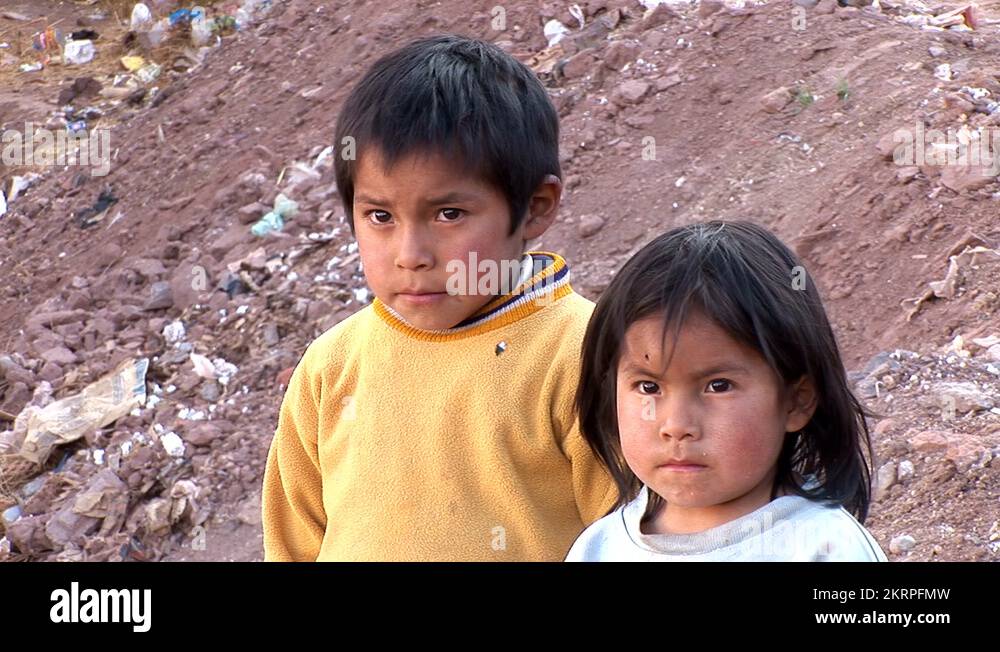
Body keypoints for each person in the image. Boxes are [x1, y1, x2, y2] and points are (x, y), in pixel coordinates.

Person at [261, 35, 616, 561]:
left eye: (448, 214)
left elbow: (632, 540)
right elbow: (293, 544)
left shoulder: (584, 359)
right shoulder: (331, 367)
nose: (411, 255)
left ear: (536, 208)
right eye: (380, 216)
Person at [566, 221, 888, 561]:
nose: (676, 425)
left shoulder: (824, 547)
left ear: (796, 401)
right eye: (649, 387)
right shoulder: (599, 547)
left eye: (718, 386)